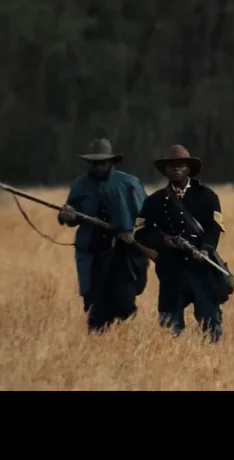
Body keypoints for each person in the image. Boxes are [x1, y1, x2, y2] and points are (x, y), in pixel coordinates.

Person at [133, 144, 228, 343]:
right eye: (172, 165)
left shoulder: (208, 197)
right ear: (166, 170)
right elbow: (141, 232)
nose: (176, 168)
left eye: (182, 164)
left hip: (201, 270)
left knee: (211, 326)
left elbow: (214, 229)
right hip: (171, 271)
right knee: (169, 329)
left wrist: (205, 250)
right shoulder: (154, 201)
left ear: (189, 168)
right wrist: (163, 240)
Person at [57, 138, 150, 334]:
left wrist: (132, 232)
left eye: (103, 162)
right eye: (95, 162)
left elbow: (147, 217)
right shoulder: (80, 185)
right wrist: (68, 216)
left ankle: (120, 337)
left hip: (123, 254)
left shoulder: (129, 183)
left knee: (124, 304)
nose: (99, 166)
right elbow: (70, 217)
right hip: (92, 254)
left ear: (111, 162)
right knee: (95, 308)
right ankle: (97, 344)